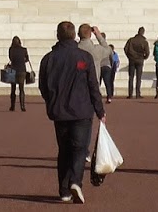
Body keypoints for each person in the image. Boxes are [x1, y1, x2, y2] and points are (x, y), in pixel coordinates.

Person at [40, 20, 105, 205]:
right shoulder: (84, 57)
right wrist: (100, 110)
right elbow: (93, 86)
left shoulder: (48, 58)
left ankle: (63, 190)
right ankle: (75, 181)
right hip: (81, 111)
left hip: (59, 112)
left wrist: (52, 103)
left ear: (58, 35)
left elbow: (43, 86)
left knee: (64, 150)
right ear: (74, 35)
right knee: (79, 148)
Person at [124, 27, 150, 99]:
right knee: (139, 77)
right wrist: (145, 57)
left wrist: (129, 56)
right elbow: (147, 52)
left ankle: (130, 94)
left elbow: (125, 49)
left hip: (132, 59)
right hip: (140, 59)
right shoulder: (144, 41)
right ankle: (138, 94)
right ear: (143, 32)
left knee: (131, 77)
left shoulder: (131, 40)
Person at [8, 34, 31, 112]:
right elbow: (27, 59)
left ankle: (12, 106)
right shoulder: (24, 49)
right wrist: (22, 61)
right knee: (21, 89)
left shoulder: (11, 49)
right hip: (22, 70)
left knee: (13, 89)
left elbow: (10, 58)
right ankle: (22, 106)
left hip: (13, 70)